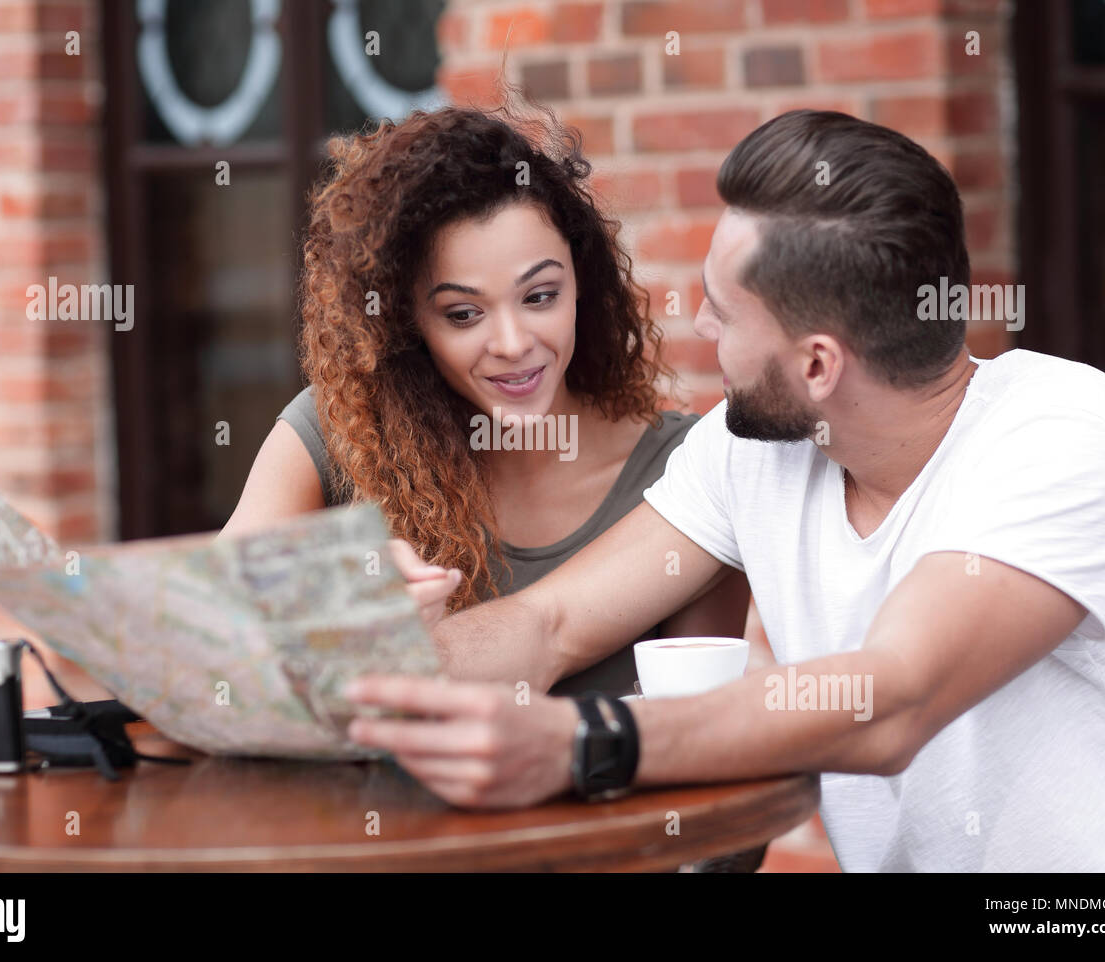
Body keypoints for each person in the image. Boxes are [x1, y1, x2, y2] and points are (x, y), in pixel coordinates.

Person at [342, 110, 1105, 872]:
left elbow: (890, 699)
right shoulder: (756, 453)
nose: (699, 328)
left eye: (722, 312)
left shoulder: (1064, 438)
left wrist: (577, 741)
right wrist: (373, 668)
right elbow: (551, 623)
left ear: (817, 364)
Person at [220, 102, 755, 698]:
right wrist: (318, 605)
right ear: (406, 322)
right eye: (464, 313)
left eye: (540, 296)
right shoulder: (332, 433)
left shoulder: (687, 470)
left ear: (582, 281)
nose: (513, 344)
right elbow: (191, 643)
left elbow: (697, 721)